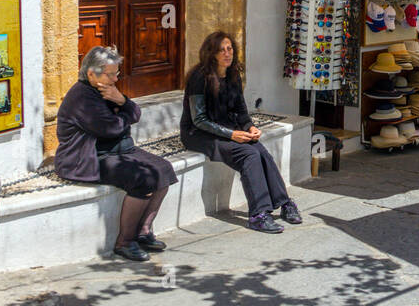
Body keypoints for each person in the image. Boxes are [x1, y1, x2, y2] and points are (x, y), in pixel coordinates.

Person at [55, 46, 177, 262]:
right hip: (88, 157)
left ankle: (144, 231)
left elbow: (135, 113)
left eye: (116, 74)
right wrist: (124, 116)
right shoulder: (82, 97)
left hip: (119, 150)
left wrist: (122, 101)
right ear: (91, 73)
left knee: (164, 170)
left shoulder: (107, 91)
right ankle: (125, 241)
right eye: (110, 74)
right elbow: (109, 128)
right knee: (143, 179)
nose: (114, 79)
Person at [180, 31, 299, 233]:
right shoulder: (199, 77)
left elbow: (241, 111)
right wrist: (232, 134)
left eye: (230, 49)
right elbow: (199, 120)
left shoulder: (233, 74)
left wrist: (250, 127)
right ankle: (258, 215)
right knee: (249, 155)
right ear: (211, 54)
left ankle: (284, 202)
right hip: (198, 134)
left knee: (260, 150)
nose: (227, 54)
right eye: (221, 50)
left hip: (226, 129)